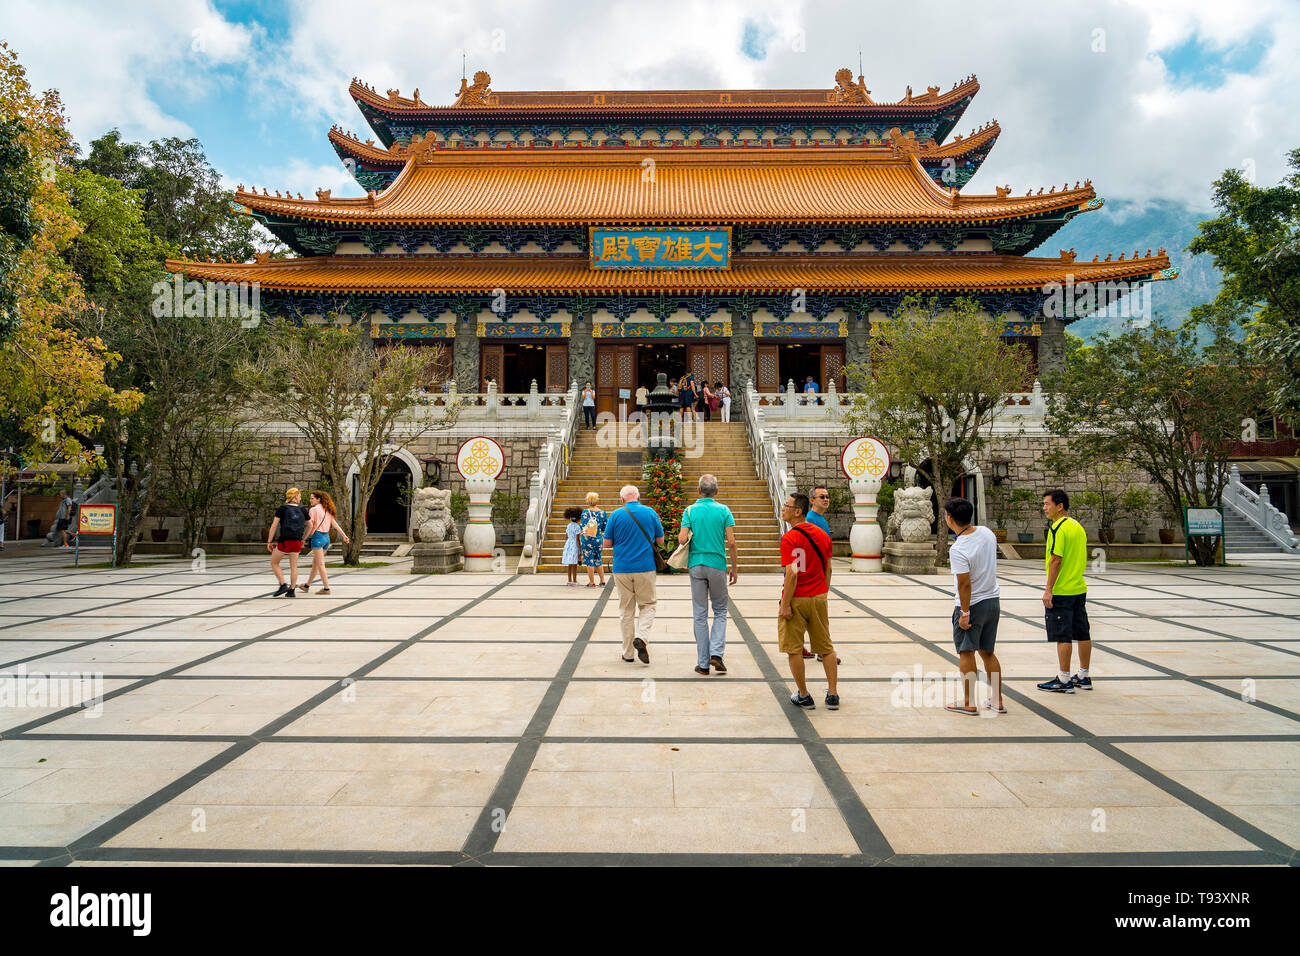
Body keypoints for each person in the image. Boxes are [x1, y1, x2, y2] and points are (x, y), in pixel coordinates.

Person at [941, 497, 1005, 715]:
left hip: (973, 604)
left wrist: (964, 613)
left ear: (949, 518)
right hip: (992, 601)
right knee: (987, 652)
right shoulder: (987, 533)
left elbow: (964, 584)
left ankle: (968, 702)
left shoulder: (958, 548)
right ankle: (997, 700)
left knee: (966, 652)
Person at [779, 493, 838, 710]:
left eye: (787, 505)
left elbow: (792, 574)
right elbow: (829, 568)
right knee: (826, 646)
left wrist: (785, 604)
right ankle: (832, 694)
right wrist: (823, 592)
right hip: (819, 596)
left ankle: (804, 694)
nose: (783, 508)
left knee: (794, 649)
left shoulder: (790, 538)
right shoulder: (822, 535)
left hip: (797, 598)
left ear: (798, 511)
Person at [678, 474, 738, 675]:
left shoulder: (689, 510)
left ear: (698, 491)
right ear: (717, 492)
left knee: (700, 613)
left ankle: (703, 663)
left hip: (696, 564)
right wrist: (735, 568)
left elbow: (682, 538)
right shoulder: (724, 510)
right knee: (720, 610)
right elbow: (731, 542)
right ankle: (717, 654)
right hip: (717, 564)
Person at [602, 484, 664, 664]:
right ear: (638, 497)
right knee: (648, 604)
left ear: (622, 500)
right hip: (645, 567)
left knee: (626, 610)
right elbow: (660, 540)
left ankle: (628, 653)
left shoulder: (615, 515)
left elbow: (606, 543)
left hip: (621, 568)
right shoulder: (650, 512)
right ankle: (642, 637)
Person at [1037, 489, 1091, 693]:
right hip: (1078, 587)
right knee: (1083, 632)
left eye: (1047, 504)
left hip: (1062, 590)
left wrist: (1048, 590)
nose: (1044, 508)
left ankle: (1064, 678)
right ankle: (1084, 675)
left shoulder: (1058, 528)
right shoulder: (1077, 526)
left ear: (1060, 506)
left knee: (1063, 635)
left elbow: (1056, 559)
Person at [803, 487, 840, 663]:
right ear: (812, 500)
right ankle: (823, 651)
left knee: (809, 614)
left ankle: (801, 647)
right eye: (821, 497)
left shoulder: (819, 518)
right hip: (815, 573)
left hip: (820, 571)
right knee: (819, 616)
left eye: (827, 496)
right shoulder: (810, 520)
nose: (826, 499)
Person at [300, 490, 350, 595]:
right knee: (316, 564)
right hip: (326, 539)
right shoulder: (327, 510)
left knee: (320, 564)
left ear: (318, 499)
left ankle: (326, 588)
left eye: (312, 498)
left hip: (317, 538)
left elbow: (310, 525)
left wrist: (304, 538)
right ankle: (306, 585)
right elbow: (335, 525)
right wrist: (344, 535)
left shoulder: (313, 510)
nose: (310, 500)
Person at [267, 487, 310, 598]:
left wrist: (269, 541)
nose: (300, 497)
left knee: (274, 562)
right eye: (299, 495)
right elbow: (310, 525)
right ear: (295, 496)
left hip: (285, 540)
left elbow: (274, 525)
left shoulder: (282, 509)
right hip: (296, 541)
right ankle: (291, 590)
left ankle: (283, 584)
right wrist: (303, 538)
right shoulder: (302, 510)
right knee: (294, 566)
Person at [578, 492, 608, 588]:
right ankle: (602, 581)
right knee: (598, 559)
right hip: (598, 539)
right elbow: (604, 527)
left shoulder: (585, 512)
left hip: (587, 540)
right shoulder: (602, 513)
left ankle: (592, 582)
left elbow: (583, 526)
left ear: (588, 500)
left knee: (589, 560)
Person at [562, 505, 582, 585]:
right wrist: (580, 549)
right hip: (574, 545)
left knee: (570, 564)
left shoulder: (568, 526)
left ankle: (569, 580)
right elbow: (577, 539)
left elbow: (566, 536)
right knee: (574, 563)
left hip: (568, 544)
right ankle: (575, 580)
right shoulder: (577, 527)